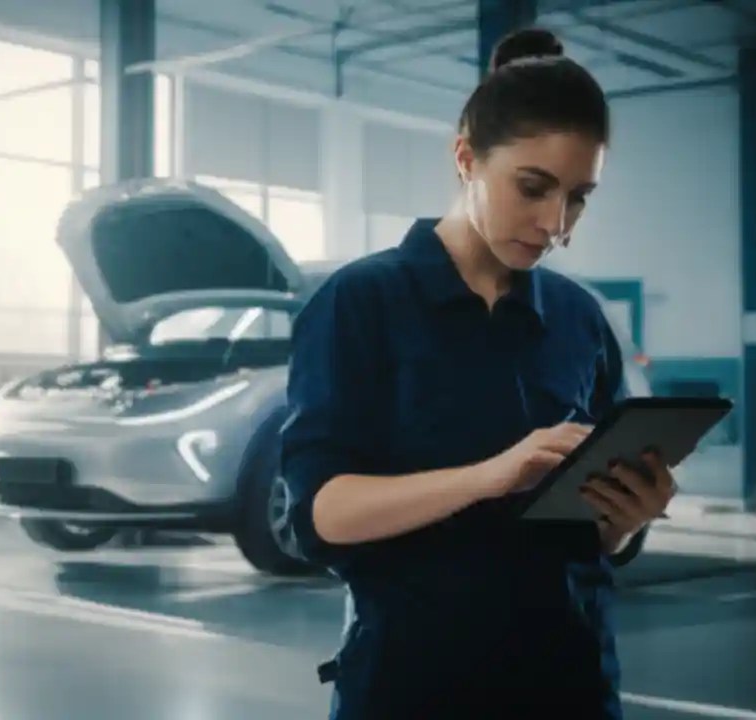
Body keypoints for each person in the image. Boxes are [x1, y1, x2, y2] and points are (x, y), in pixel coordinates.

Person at [280, 27, 677, 719]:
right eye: (533, 188)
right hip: (414, 688)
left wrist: (624, 522)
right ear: (466, 158)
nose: (557, 225)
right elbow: (320, 513)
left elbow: (587, 536)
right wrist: (490, 476)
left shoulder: (581, 319)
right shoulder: (361, 303)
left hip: (571, 684)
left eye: (579, 197)